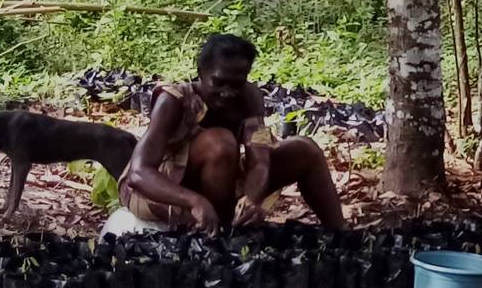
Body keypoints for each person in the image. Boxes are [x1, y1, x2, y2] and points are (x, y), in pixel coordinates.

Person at [118, 32, 345, 235]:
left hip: (225, 187)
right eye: (219, 82)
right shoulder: (173, 100)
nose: (227, 93)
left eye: (236, 84)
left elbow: (260, 160)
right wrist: (194, 201)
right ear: (200, 73)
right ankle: (223, 231)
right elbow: (139, 174)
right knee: (220, 143)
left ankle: (341, 237)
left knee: (305, 149)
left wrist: (252, 198)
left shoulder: (249, 97)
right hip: (165, 191)